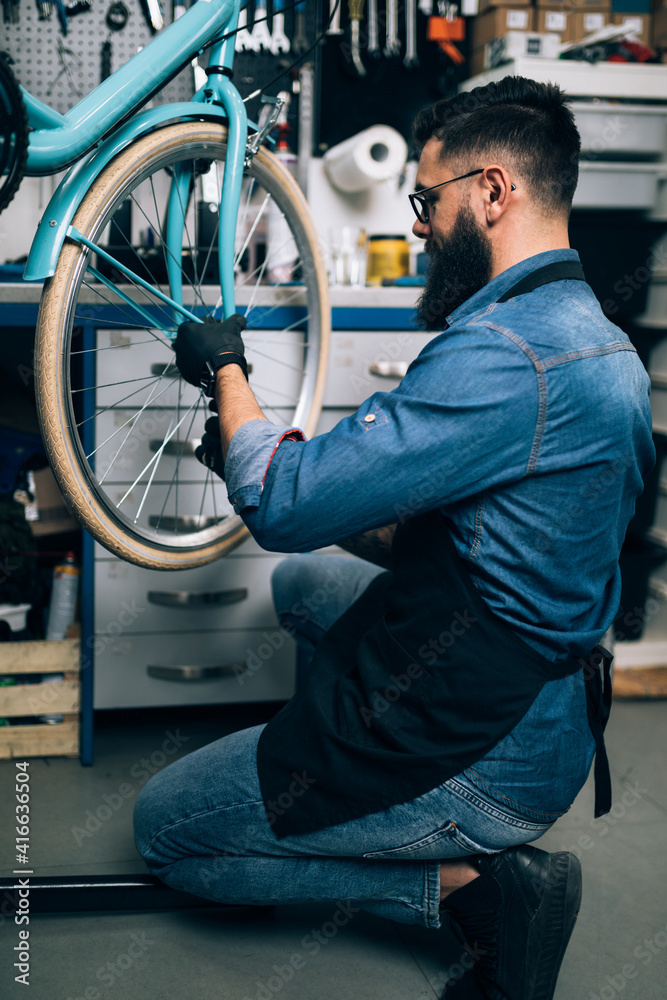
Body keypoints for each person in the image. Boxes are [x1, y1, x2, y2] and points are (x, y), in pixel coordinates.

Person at [133, 76, 655, 999]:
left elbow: (285, 501)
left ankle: (470, 887)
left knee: (168, 830)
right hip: (548, 701)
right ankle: (330, 774)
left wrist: (226, 371)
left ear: (492, 193)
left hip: (489, 748)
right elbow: (434, 540)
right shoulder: (592, 338)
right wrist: (267, 463)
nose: (418, 223)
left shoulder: (505, 357)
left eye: (427, 199)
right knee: (300, 585)